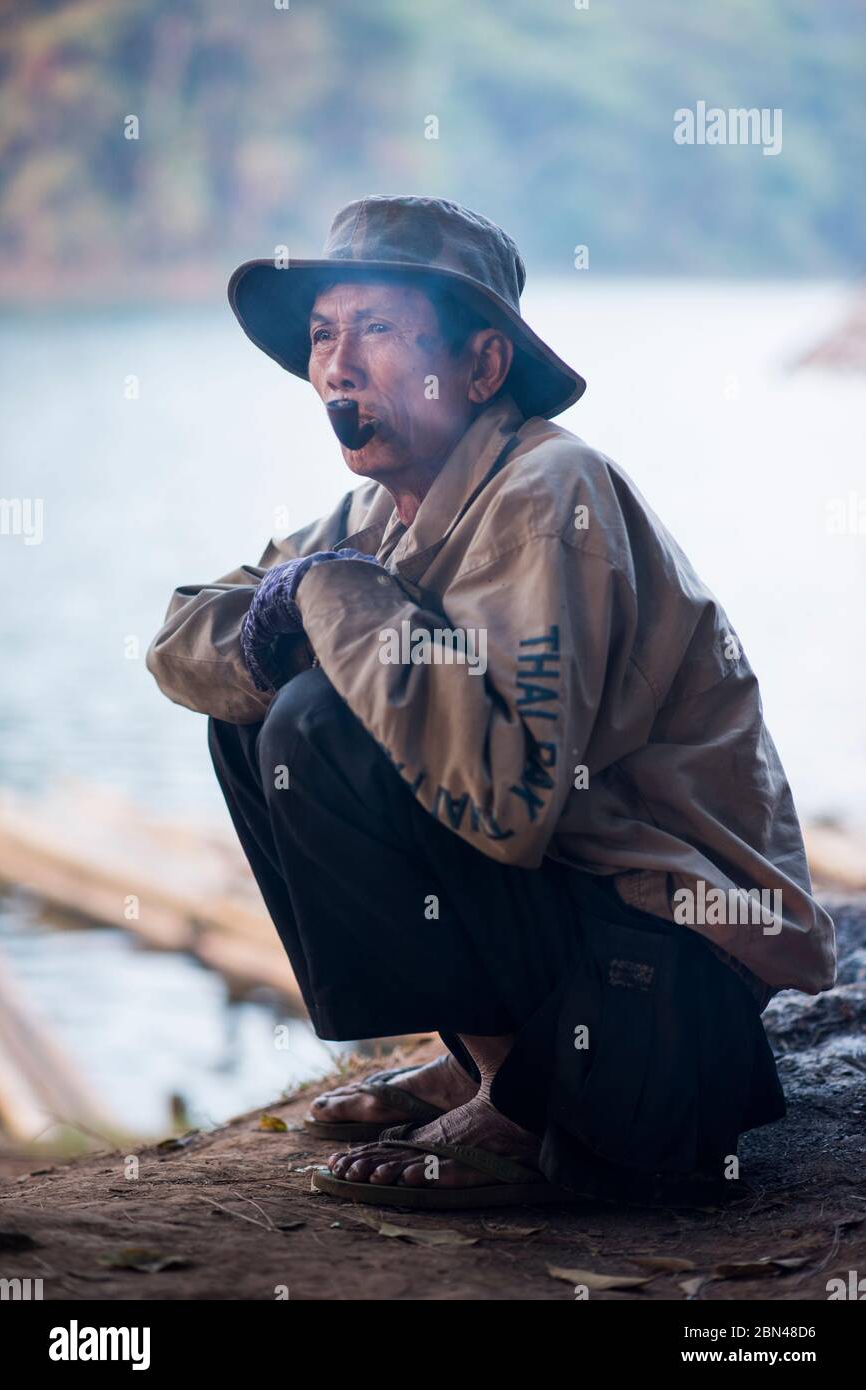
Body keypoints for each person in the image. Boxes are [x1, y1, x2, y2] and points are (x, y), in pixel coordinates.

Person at [147, 195, 835, 1209]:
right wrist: (303, 604)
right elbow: (182, 637)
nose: (334, 364)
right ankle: (479, 1059)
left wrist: (330, 598)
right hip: (584, 965)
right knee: (256, 713)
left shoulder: (554, 486)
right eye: (325, 334)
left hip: (666, 999)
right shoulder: (378, 509)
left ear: (480, 369)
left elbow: (508, 808)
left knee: (318, 721)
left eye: (376, 329)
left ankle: (521, 1102)